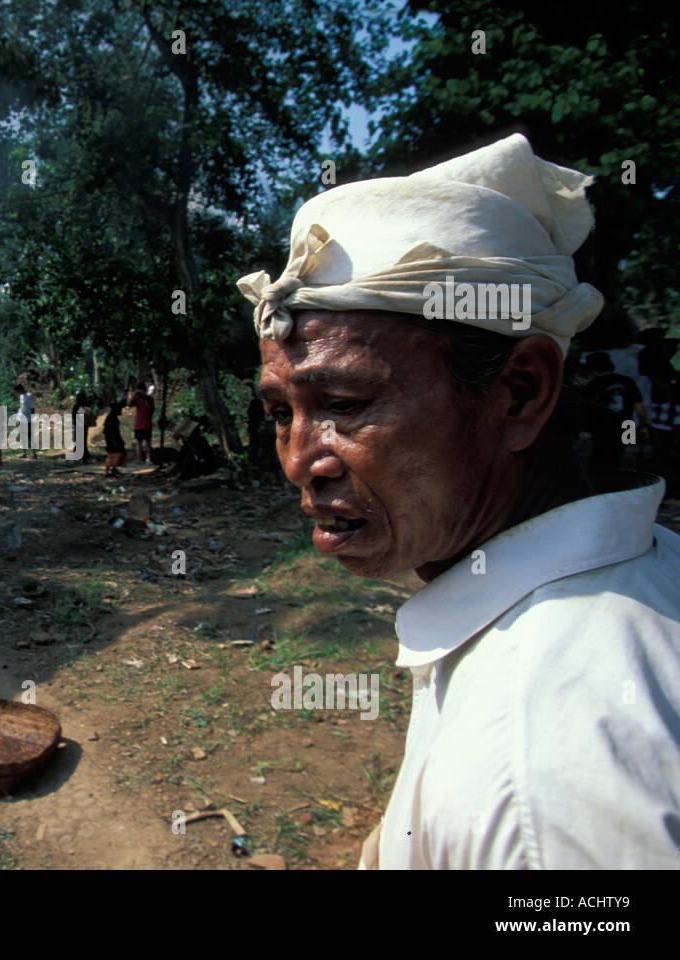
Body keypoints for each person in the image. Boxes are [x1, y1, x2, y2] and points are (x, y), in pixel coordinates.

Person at [239, 133, 680, 869]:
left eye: (345, 403)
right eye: (282, 412)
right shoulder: (640, 577)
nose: (297, 463)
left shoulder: (539, 778)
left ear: (519, 392)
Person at [583, 351, 650, 485]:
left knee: (600, 458)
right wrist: (644, 425)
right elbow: (639, 406)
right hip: (628, 425)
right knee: (624, 456)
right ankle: (620, 481)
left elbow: (586, 409)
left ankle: (604, 484)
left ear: (592, 369)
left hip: (603, 427)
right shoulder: (627, 381)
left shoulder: (592, 385)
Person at [127, 383, 154, 466]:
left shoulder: (149, 398)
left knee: (147, 442)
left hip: (147, 423)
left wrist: (144, 396)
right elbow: (129, 404)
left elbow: (150, 408)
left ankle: (148, 459)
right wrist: (134, 394)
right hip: (138, 424)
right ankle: (139, 459)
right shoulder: (137, 399)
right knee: (139, 442)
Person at [103, 401, 126, 476]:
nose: (121, 411)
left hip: (114, 438)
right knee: (112, 454)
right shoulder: (111, 418)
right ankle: (107, 471)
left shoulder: (113, 417)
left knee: (116, 453)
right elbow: (109, 431)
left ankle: (113, 469)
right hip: (112, 439)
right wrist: (114, 441)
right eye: (119, 409)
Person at [72, 391, 95, 463]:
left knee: (78, 441)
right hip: (84, 426)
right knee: (83, 440)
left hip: (78, 426)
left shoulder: (77, 406)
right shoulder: (87, 406)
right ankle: (84, 456)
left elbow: (73, 416)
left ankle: (78, 455)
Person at [14, 383, 36, 458]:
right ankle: (24, 453)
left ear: (21, 389)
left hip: (28, 419)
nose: (18, 393)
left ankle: (34, 454)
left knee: (30, 437)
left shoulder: (29, 395)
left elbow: (32, 408)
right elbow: (22, 407)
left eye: (18, 391)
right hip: (21, 418)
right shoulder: (21, 396)